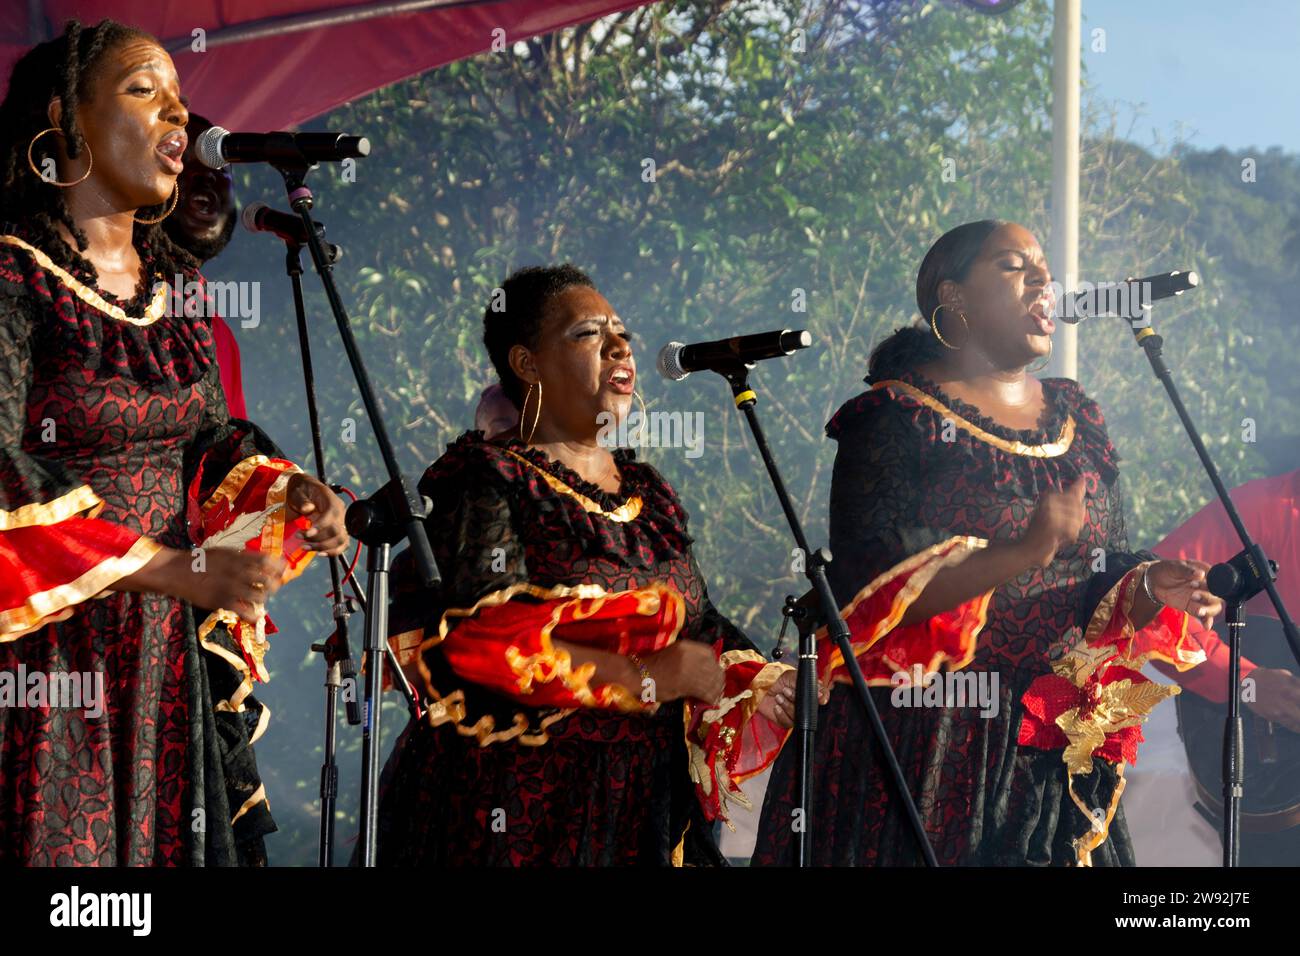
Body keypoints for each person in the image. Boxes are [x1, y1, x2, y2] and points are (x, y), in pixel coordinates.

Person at [753, 220, 1221, 867]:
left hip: (1046, 741)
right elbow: (871, 588)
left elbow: (1100, 572)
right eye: (1012, 265)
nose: (1042, 280)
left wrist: (1145, 585)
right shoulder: (892, 416)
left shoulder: (1075, 415)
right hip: (922, 745)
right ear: (955, 298)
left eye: (1045, 270)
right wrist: (1023, 551)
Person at [0, 18, 349, 866]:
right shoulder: (11, 273)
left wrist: (282, 485)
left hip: (165, 652)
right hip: (47, 654)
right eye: (143, 91)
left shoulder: (181, 287)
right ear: (68, 120)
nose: (179, 121)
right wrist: (166, 569)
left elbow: (207, 438)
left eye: (182, 102)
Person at [371, 264, 801, 865]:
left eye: (621, 332)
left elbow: (698, 627)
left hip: (641, 802)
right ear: (527, 364)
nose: (621, 346)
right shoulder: (485, 478)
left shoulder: (648, 492)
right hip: (517, 803)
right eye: (588, 334)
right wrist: (644, 674)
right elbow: (475, 647)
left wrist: (763, 682)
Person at [162, 111, 246, 417]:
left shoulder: (217, 330)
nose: (207, 174)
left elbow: (229, 454)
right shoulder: (98, 297)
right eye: (183, 157)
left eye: (219, 163)